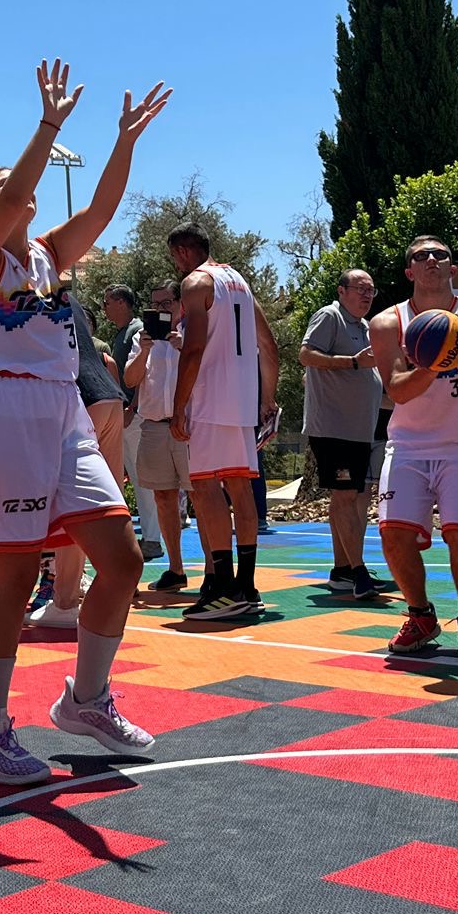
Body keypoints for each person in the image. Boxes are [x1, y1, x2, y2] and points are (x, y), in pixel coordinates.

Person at [0, 61, 169, 785]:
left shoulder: (46, 259)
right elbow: (12, 195)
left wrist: (124, 141)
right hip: (2, 413)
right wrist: (48, 125)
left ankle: (85, 699)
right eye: (2, 196)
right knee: (12, 578)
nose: (21, 200)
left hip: (62, 412)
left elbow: (103, 212)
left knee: (124, 561)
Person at [368, 235, 458, 659]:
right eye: (421, 256)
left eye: (440, 254)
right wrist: (433, 361)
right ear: (409, 271)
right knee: (393, 535)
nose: (431, 260)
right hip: (409, 443)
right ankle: (421, 615)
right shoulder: (387, 323)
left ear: (453, 268)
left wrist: (457, 351)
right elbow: (397, 391)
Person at [168, 224, 280, 622]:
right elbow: (268, 345)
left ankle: (222, 586)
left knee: (205, 489)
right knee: (241, 490)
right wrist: (267, 400)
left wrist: (179, 405)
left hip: (210, 399)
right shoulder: (239, 281)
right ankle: (246, 586)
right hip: (242, 401)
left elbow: (194, 347)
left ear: (182, 252)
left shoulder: (196, 283)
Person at [29, 302, 128, 628]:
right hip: (109, 397)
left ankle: (65, 599)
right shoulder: (62, 299)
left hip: (80, 399)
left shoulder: (22, 298)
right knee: (108, 505)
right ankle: (107, 587)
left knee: (74, 507)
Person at [299, 268, 385, 599]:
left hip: (359, 431)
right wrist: (351, 363)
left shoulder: (365, 328)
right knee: (345, 496)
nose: (366, 295)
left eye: (371, 290)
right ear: (341, 291)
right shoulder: (329, 316)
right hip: (333, 428)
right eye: (360, 288)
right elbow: (306, 355)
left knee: (350, 496)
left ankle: (342, 571)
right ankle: (358, 571)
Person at [123, 283, 190, 590]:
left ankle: (217, 574)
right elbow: (130, 378)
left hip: (189, 427)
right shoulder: (142, 339)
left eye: (166, 302)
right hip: (153, 426)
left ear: (181, 303)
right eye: (155, 304)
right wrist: (146, 350)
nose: (161, 308)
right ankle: (175, 569)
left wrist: (183, 347)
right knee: (163, 498)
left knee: (202, 497)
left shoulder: (194, 335)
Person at [102, 285, 161, 561]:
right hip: (125, 413)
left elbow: (140, 374)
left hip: (133, 415)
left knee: (142, 479)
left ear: (122, 303)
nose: (104, 309)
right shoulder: (123, 333)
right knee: (133, 478)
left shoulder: (136, 332)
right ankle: (147, 536)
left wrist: (132, 407)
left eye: (107, 303)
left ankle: (151, 539)